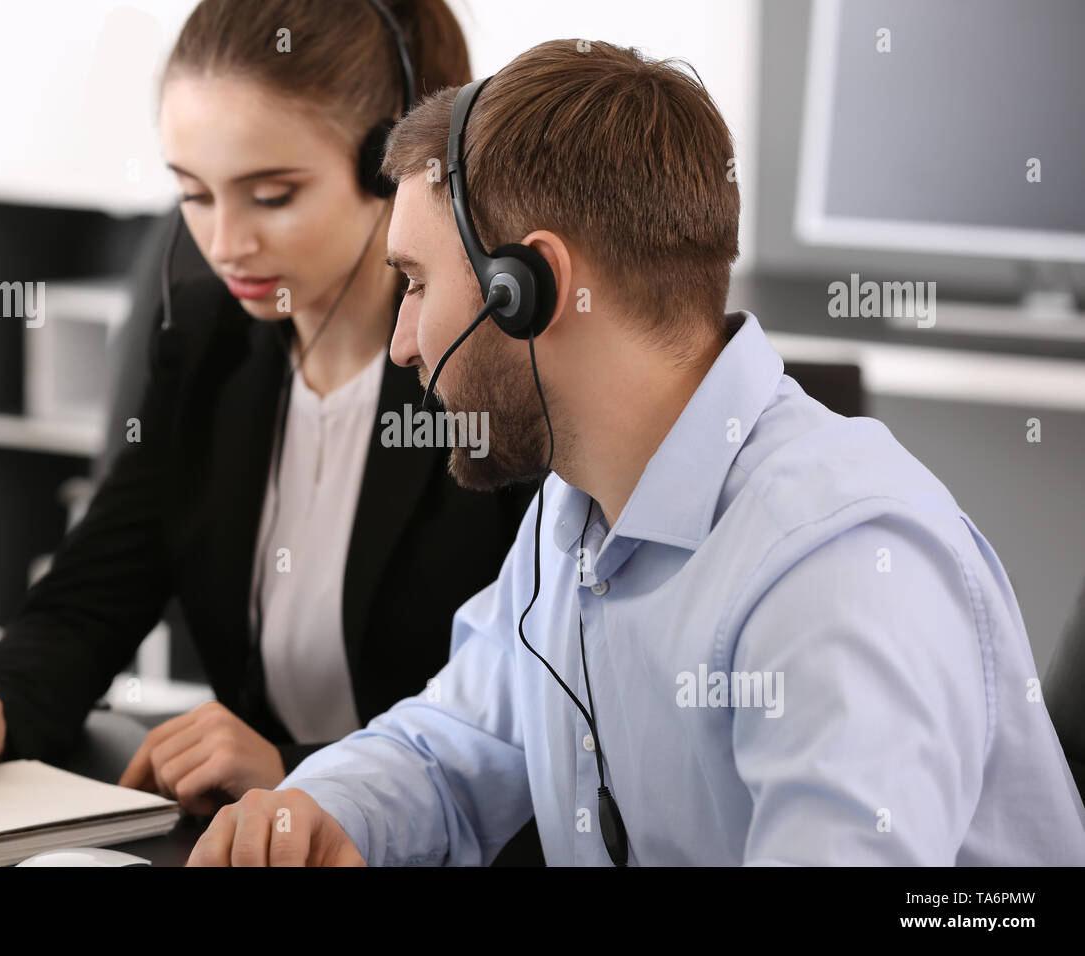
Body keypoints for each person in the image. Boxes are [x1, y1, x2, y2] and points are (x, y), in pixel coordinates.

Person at [186, 39, 1085, 866]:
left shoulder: (838, 565)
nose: (404, 345)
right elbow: (447, 746)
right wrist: (315, 810)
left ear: (528, 289)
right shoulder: (575, 514)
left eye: (417, 284)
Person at [0, 0, 540, 861]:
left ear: (389, 168)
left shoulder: (491, 372)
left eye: (271, 195)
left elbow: (534, 722)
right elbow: (93, 597)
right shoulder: (209, 345)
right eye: (193, 195)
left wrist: (299, 771)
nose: (224, 242)